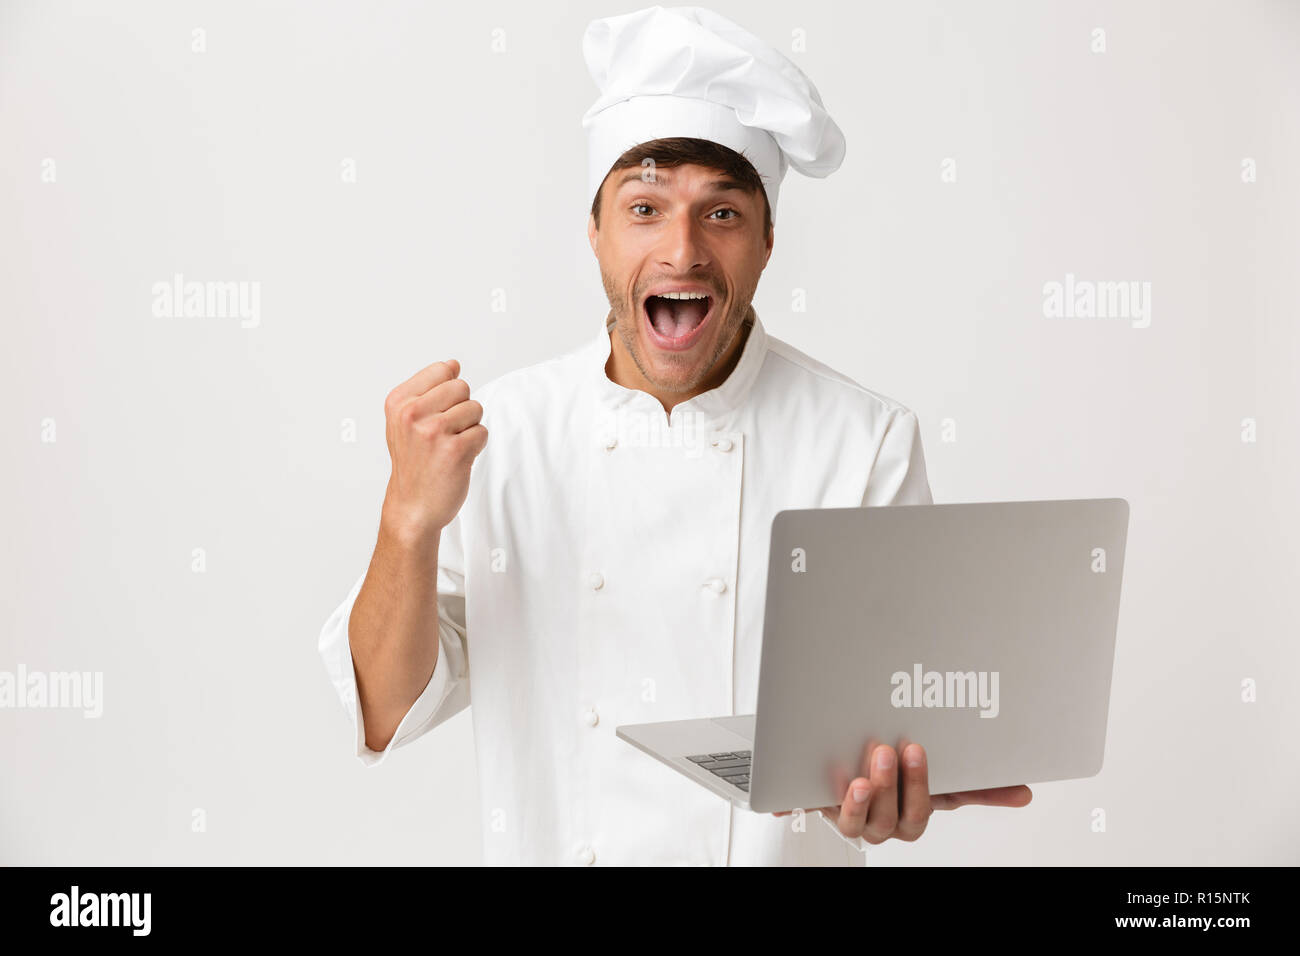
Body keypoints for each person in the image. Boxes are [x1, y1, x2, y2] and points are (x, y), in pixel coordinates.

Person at [318, 5, 1030, 866]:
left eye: (722, 214)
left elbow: (900, 723)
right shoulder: (501, 439)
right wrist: (407, 521)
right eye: (645, 207)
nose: (683, 252)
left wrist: (892, 786)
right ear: (595, 233)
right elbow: (385, 711)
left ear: (769, 240)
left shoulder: (862, 442)